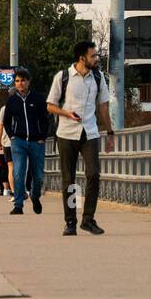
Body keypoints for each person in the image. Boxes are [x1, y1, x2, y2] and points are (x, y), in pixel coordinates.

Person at [47, 39, 114, 237]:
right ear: (81, 57)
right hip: (66, 133)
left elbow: (103, 107)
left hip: (90, 132)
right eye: (93, 55)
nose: (96, 58)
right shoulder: (64, 76)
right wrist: (67, 113)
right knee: (69, 180)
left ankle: (88, 219)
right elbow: (50, 105)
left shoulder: (98, 77)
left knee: (93, 174)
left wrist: (110, 132)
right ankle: (70, 221)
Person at [3, 68, 49, 216]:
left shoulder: (38, 98)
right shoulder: (12, 100)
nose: (20, 83)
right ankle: (18, 205)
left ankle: (35, 196)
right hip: (19, 141)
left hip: (37, 142)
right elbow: (6, 121)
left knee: (38, 175)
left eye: (23, 80)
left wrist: (43, 136)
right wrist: (12, 136)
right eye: (17, 81)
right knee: (18, 172)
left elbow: (45, 119)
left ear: (28, 82)